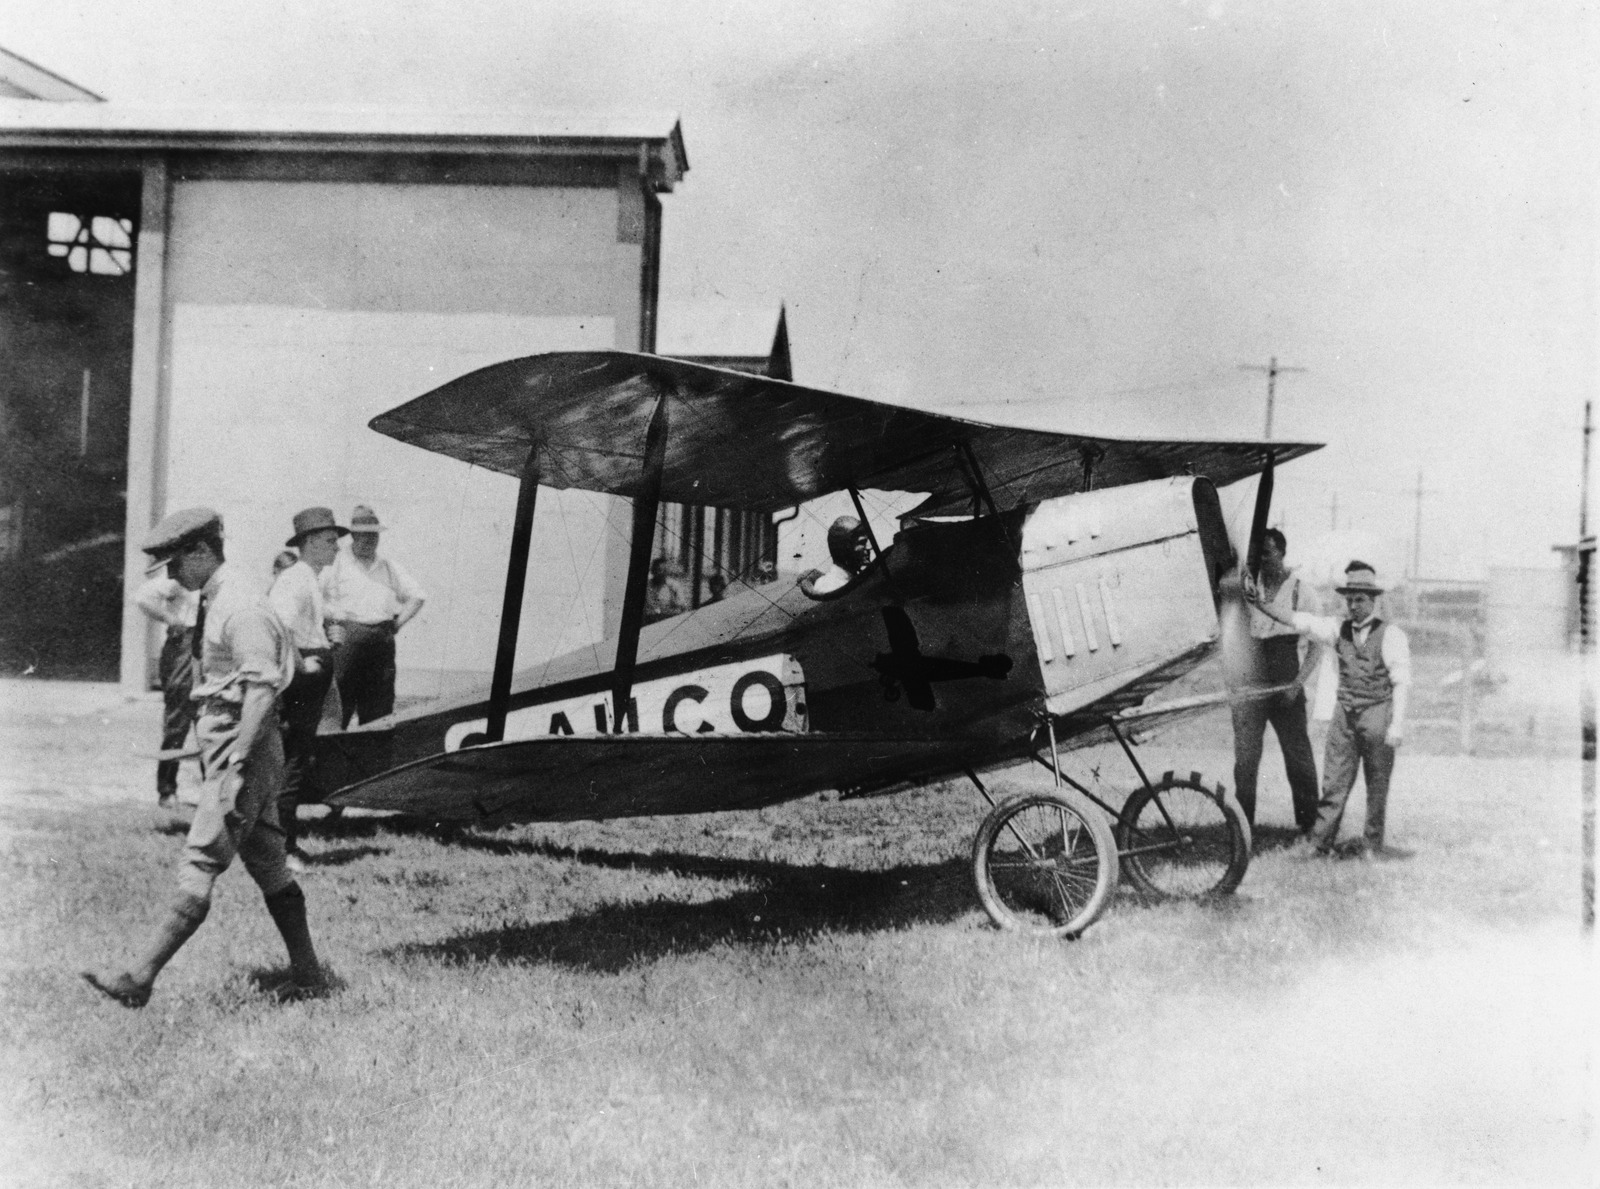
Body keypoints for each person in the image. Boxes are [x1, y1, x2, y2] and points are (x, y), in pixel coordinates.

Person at [83, 507, 324, 1006]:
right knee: (269, 862)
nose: (170, 575)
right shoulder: (218, 597)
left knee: (201, 859)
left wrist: (235, 768)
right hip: (233, 741)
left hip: (244, 747)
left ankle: (138, 977)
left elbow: (261, 693)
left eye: (175, 562)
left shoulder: (240, 606)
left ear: (201, 551)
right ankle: (309, 976)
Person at [1249, 560, 1412, 859]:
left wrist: (1397, 725)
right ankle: (1319, 843)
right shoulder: (1337, 628)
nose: (1354, 605)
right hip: (1345, 715)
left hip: (1377, 713)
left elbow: (1401, 683)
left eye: (1360, 599)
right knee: (1334, 780)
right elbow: (1299, 620)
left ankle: (1372, 846)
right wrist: (1260, 604)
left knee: (1377, 782)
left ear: (1373, 600)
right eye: (1349, 599)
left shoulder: (1392, 636)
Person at [1227, 528, 1322, 833]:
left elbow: (1317, 644)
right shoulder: (1246, 590)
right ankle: (1243, 829)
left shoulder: (1302, 592)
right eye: (1257, 554)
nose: (1262, 560)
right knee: (1245, 759)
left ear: (1282, 552)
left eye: (1267, 553)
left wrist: (1297, 684)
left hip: (1286, 677)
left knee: (1298, 756)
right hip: (1251, 678)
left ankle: (1309, 827)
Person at [269, 507, 346, 869]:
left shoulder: (309, 579)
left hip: (311, 670)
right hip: (301, 677)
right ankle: (283, 849)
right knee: (292, 761)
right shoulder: (295, 579)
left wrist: (327, 636)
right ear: (311, 543)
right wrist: (302, 664)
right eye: (331, 541)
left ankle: (281, 845)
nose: (337, 549)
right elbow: (278, 628)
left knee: (298, 757)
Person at [322, 504, 426, 726]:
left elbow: (417, 596)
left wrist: (397, 624)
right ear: (353, 536)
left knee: (379, 712)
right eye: (364, 536)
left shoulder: (388, 566)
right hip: (345, 645)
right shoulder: (337, 562)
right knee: (339, 708)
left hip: (381, 644)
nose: (369, 540)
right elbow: (315, 597)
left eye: (374, 535)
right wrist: (331, 622)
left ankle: (372, 759)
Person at [133, 571, 201, 808]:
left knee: (208, 723)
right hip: (183, 646)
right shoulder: (178, 577)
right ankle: (167, 790)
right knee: (177, 722)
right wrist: (170, 618)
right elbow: (142, 597)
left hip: (209, 644)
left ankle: (213, 794)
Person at [810, 516, 872, 594]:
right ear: (845, 549)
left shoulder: (849, 580)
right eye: (862, 543)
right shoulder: (830, 586)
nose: (870, 547)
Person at [643, 557, 688, 623]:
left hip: (669, 620)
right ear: (653, 570)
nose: (660, 573)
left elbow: (683, 608)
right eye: (657, 570)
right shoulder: (647, 585)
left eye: (664, 570)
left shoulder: (674, 586)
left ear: (667, 572)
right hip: (650, 621)